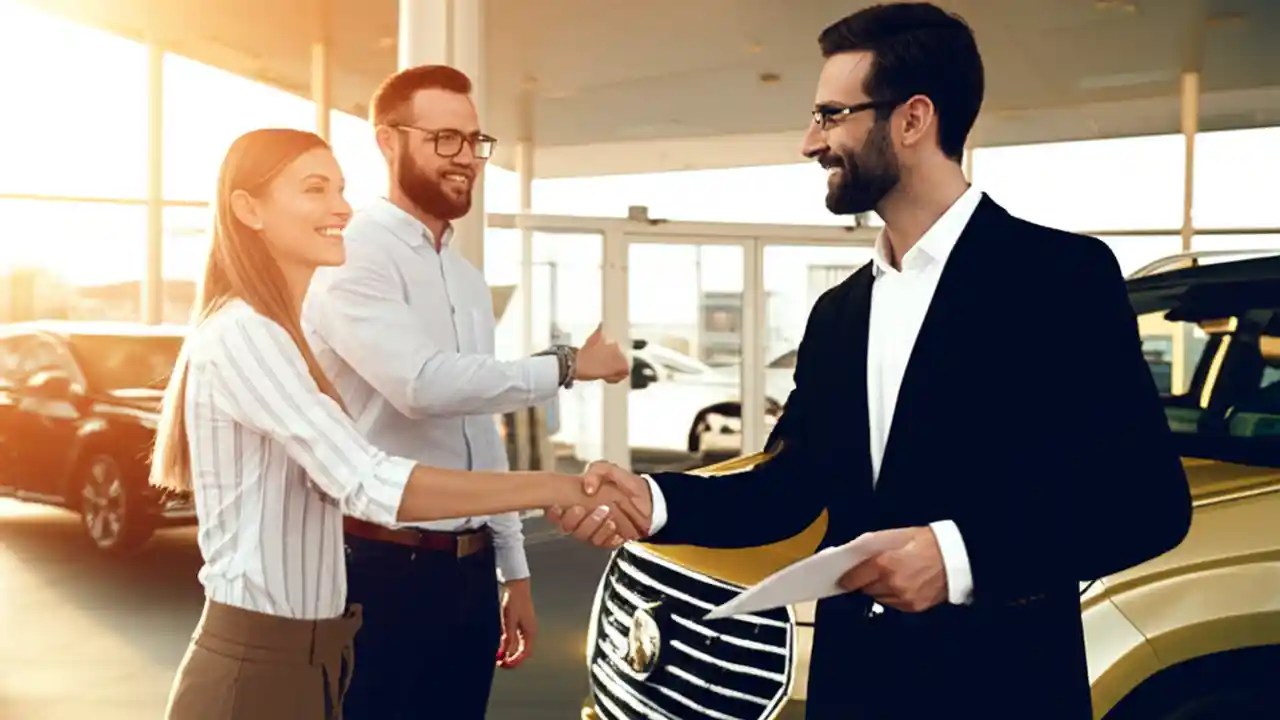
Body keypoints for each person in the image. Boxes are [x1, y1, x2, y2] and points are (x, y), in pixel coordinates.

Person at [552, 4, 1193, 718]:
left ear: (912, 120)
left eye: (831, 115)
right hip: (855, 690)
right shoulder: (840, 312)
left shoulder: (1058, 277)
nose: (809, 142)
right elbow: (794, 485)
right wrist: (658, 501)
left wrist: (958, 558)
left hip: (999, 688)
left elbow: (1144, 503)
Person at [151, 128, 643, 720]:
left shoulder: (283, 334)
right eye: (314, 189)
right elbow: (371, 482)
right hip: (258, 669)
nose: (341, 207)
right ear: (247, 209)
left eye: (339, 188)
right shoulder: (243, 335)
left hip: (316, 655)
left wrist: (512, 560)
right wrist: (559, 484)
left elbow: (457, 429)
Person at [301, 65, 630, 720]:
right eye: (444, 139)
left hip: (469, 575)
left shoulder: (464, 276)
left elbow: (482, 428)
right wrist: (566, 366)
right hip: (377, 570)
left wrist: (514, 572)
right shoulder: (352, 255)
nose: (466, 159)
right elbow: (421, 386)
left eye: (474, 142)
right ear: (388, 142)